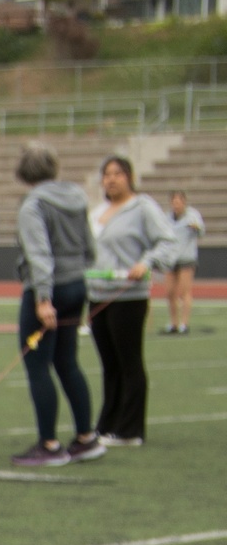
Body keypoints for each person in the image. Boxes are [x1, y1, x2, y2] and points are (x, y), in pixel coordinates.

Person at [9, 143, 103, 466]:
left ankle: (49, 444)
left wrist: (43, 298)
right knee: (68, 362)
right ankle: (85, 438)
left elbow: (39, 255)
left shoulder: (33, 206)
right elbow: (90, 247)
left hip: (49, 289)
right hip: (77, 285)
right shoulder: (77, 199)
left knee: (38, 365)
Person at [86, 155, 178, 444]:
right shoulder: (98, 211)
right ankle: (107, 423)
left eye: (118, 173)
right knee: (109, 364)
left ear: (129, 177)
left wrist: (146, 262)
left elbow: (168, 241)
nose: (111, 179)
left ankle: (130, 429)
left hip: (127, 295)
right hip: (98, 294)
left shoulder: (142, 207)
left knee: (129, 361)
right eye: (107, 174)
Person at [164, 190, 203, 335]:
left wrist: (196, 227)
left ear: (184, 202)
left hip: (186, 258)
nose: (176, 205)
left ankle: (184, 323)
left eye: (179, 201)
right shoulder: (167, 217)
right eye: (174, 201)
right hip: (170, 258)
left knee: (183, 291)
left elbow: (201, 230)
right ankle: (173, 323)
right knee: (169, 292)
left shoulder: (192, 215)